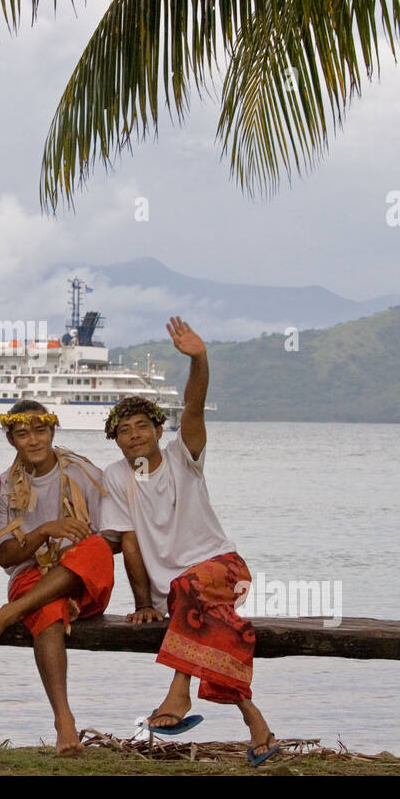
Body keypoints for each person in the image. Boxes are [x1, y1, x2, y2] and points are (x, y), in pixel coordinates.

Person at [99, 316, 281, 766]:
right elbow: (130, 542)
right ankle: (256, 724)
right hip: (184, 599)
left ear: (160, 430)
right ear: (116, 440)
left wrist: (199, 359)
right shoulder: (117, 477)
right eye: (124, 430)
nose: (134, 434)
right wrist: (143, 602)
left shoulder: (185, 457)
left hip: (225, 569)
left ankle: (177, 695)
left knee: (189, 591)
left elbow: (194, 407)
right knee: (215, 623)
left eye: (142, 425)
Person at [0, 400, 117, 756]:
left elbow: (111, 539)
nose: (33, 440)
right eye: (22, 433)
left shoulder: (84, 473)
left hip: (81, 581)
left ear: (53, 431)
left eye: (40, 431)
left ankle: (9, 612)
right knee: (49, 611)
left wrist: (69, 556)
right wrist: (45, 532)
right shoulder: (4, 486)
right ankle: (64, 720)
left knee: (95, 547)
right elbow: (4, 555)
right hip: (30, 578)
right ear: (11, 439)